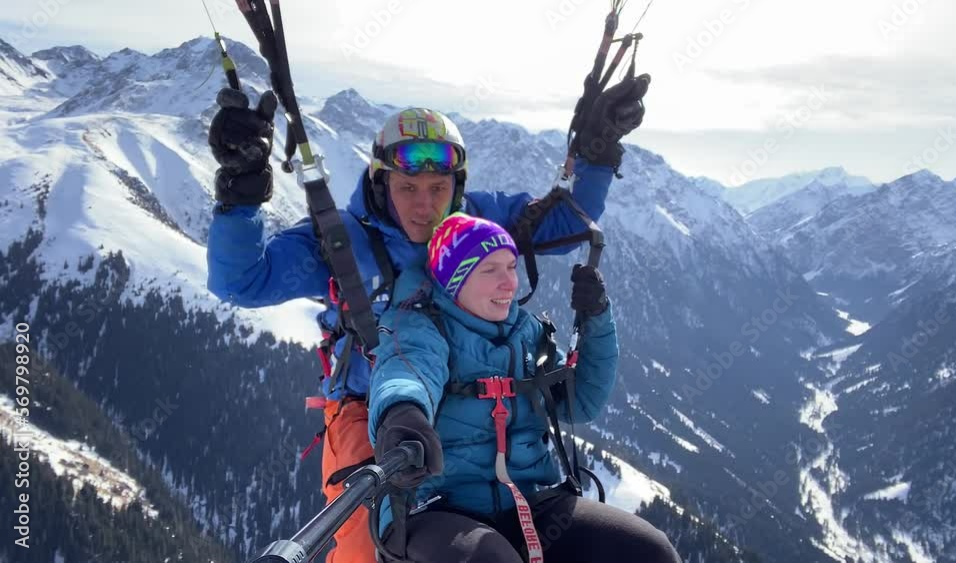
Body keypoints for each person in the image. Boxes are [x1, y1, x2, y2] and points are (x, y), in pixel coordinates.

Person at [206, 76, 649, 563]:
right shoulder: (341, 242)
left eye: (438, 187)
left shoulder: (476, 224)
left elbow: (566, 223)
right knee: (364, 549)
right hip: (369, 411)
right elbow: (241, 282)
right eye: (407, 187)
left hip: (471, 404)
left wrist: (598, 154)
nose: (424, 204)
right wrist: (240, 198)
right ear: (381, 184)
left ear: (456, 187)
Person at [367, 213, 681, 563]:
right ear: (453, 281)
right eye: (489, 270)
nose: (509, 283)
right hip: (431, 509)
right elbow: (408, 368)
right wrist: (403, 413)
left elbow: (582, 402)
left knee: (648, 551)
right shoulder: (419, 326)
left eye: (511, 267)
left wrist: (597, 319)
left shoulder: (527, 333)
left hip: (528, 502)